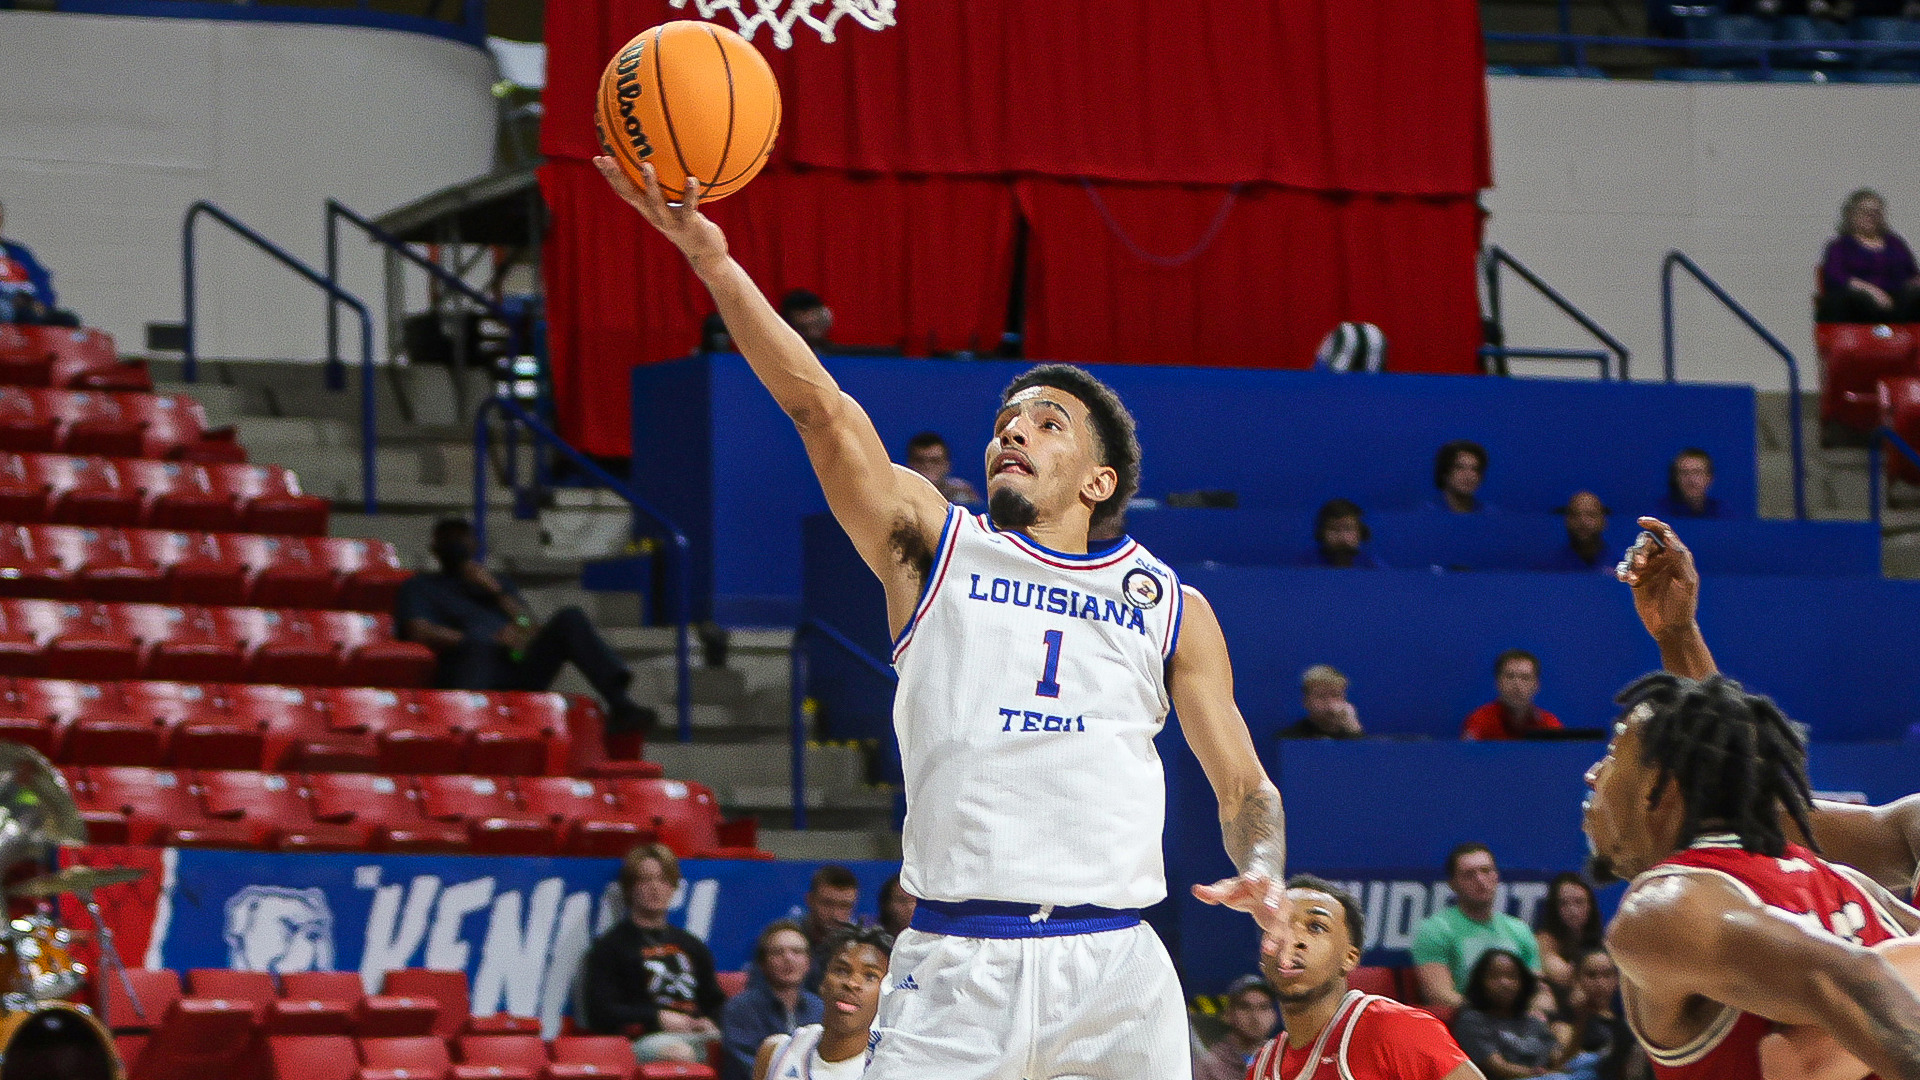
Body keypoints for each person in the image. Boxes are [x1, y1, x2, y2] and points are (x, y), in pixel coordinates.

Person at [595, 156, 1291, 1080]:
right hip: (958, 965)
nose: (1012, 430)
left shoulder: (1171, 606)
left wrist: (1264, 864)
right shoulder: (936, 544)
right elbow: (820, 411)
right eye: (1006, 420)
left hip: (1117, 972)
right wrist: (714, 262)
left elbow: (1244, 789)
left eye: (1047, 422)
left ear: (1099, 481)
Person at [1582, 522, 1920, 1080]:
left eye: (1613, 751)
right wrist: (1678, 638)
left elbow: (1845, 979)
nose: (1593, 774)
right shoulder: (1840, 883)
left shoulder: (1663, 906)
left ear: (1659, 787)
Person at [393, 517, 656, 734]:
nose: (458, 546)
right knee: (479, 651)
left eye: (463, 538)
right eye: (450, 539)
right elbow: (419, 631)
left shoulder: (497, 586)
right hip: (469, 665)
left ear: (475, 545)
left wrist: (497, 593)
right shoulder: (420, 586)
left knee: (570, 619)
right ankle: (474, 731)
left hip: (516, 662)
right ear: (435, 548)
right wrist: (481, 639)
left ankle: (621, 704)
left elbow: (527, 624)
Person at [1247, 875, 1484, 1080]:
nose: (1293, 939)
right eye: (1280, 926)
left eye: (1316, 927)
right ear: (1263, 956)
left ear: (1349, 958)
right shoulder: (1262, 1065)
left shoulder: (1393, 1028)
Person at [583, 843, 729, 1063]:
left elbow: (715, 1001)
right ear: (630, 888)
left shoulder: (691, 945)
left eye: (663, 880)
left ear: (673, 887)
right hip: (643, 1039)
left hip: (696, 1034)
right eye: (646, 880)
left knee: (751, 1046)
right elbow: (600, 1011)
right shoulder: (611, 947)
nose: (655, 888)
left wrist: (710, 1021)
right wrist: (657, 1017)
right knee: (680, 1053)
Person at [1413, 844, 1557, 1017]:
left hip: (1518, 1020)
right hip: (1467, 1022)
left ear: (1496, 876)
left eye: (1486, 871)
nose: (1480, 880)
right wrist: (1493, 1015)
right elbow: (1440, 995)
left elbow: (1539, 990)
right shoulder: (1435, 930)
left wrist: (1536, 1007)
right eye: (1469, 874)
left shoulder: (1519, 929)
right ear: (1453, 884)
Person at [753, 926, 892, 1080]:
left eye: (870, 976)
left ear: (887, 994)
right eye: (842, 970)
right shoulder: (775, 1051)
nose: (852, 983)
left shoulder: (890, 1071)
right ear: (822, 983)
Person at [721, 921, 823, 1080]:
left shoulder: (819, 1008)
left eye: (797, 952)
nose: (788, 959)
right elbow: (750, 1068)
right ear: (762, 963)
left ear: (809, 962)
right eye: (778, 952)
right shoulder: (740, 1009)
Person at [1451, 949, 1571, 1080]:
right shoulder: (1472, 1021)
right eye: (1495, 977)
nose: (1505, 983)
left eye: (1512, 977)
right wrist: (1541, 1074)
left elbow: (1561, 1060)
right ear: (1480, 982)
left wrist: (1582, 1016)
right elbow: (1499, 1068)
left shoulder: (1533, 1021)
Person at [1817, 189, 1920, 323]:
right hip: (1859, 301)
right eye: (1865, 211)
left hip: (1898, 302)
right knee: (1842, 300)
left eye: (1876, 212)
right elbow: (1835, 276)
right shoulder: (1840, 246)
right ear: (1851, 215)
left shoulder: (1895, 244)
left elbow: (1911, 273)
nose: (1871, 216)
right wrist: (1872, 291)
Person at [1462, 650, 1565, 741]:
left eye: (1525, 678)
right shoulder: (1480, 721)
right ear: (1498, 682)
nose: (1517, 685)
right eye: (1510, 677)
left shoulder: (1549, 724)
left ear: (1536, 685)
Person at [0, 200, 73, 327]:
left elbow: (41, 280)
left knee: (68, 320)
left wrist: (42, 303)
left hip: (29, 306)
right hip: (7, 307)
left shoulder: (17, 252)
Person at [1194, 974, 1279, 1080]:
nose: (1255, 1016)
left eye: (1263, 1007)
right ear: (1228, 1015)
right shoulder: (1208, 1066)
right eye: (1245, 1007)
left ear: (1274, 1016)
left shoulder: (1283, 1061)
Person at [791, 865, 860, 992]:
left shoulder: (860, 944)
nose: (835, 914)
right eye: (827, 903)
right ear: (810, 900)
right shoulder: (786, 937)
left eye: (844, 906)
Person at [1534, 873, 1605, 998]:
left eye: (1579, 902)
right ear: (1555, 908)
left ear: (1590, 905)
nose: (1573, 910)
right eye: (1564, 903)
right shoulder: (1544, 940)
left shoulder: (1602, 940)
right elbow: (1562, 976)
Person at [1280, 665, 1366, 739]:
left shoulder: (1352, 733)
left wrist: (1354, 730)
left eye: (1335, 695)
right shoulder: (1291, 738)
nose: (1330, 703)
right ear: (1306, 701)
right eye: (1321, 696)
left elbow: (1362, 752)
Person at [904, 432, 982, 505]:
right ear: (909, 464)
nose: (927, 466)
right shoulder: (900, 493)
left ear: (947, 464)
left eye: (935, 461)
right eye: (919, 461)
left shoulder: (962, 492)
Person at [1541, 493, 1612, 573]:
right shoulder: (1549, 568)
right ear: (1567, 521)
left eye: (1591, 515)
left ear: (1604, 522)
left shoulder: (1620, 565)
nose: (1583, 522)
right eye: (1575, 515)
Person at [1315, 498, 1384, 568]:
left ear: (1361, 533)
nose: (1341, 536)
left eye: (1348, 529)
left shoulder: (1372, 565)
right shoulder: (1309, 563)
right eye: (1333, 529)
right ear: (1321, 533)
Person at [1654, 450, 1722, 520]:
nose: (1691, 479)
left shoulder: (1722, 512)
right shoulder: (1660, 513)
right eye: (1684, 472)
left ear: (1709, 478)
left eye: (1697, 472)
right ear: (1676, 478)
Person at [1430, 441, 1494, 514]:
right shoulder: (1425, 514)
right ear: (1445, 473)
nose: (1468, 476)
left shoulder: (1491, 515)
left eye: (1475, 469)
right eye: (1460, 468)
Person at [876, 874, 915, 939]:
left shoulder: (931, 940)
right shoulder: (872, 939)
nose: (911, 907)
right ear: (887, 905)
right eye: (903, 901)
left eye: (917, 901)